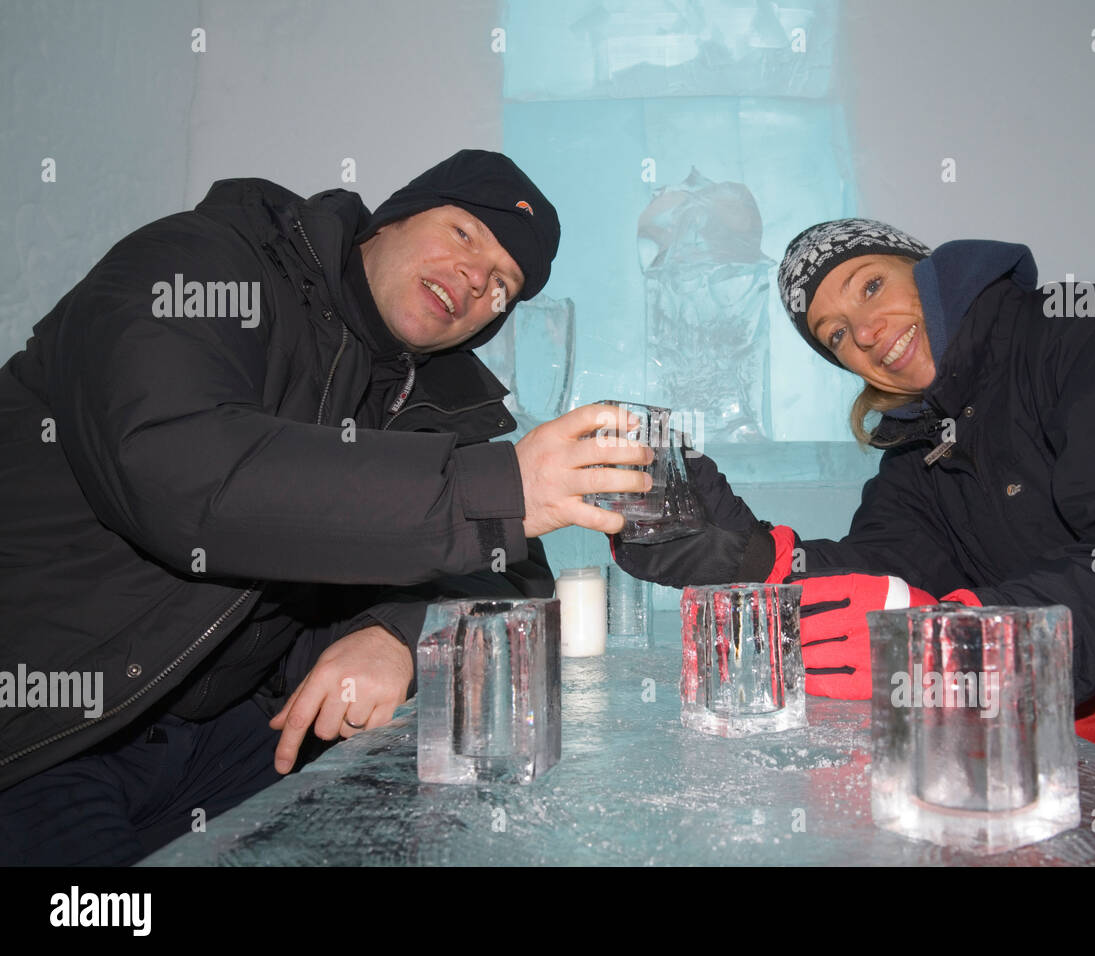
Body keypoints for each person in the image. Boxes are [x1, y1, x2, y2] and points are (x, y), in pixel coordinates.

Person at [0, 149, 652, 865]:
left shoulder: (428, 398)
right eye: (465, 234)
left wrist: (397, 634)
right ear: (391, 219)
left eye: (503, 282)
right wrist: (495, 490)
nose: (476, 278)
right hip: (47, 731)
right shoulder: (200, 265)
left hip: (235, 737)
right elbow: (182, 475)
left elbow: (510, 570)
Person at [615, 218, 1095, 840]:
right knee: (913, 812)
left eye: (871, 286)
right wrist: (750, 555)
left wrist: (961, 645)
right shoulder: (925, 446)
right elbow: (888, 570)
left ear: (929, 266)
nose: (865, 332)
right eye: (835, 336)